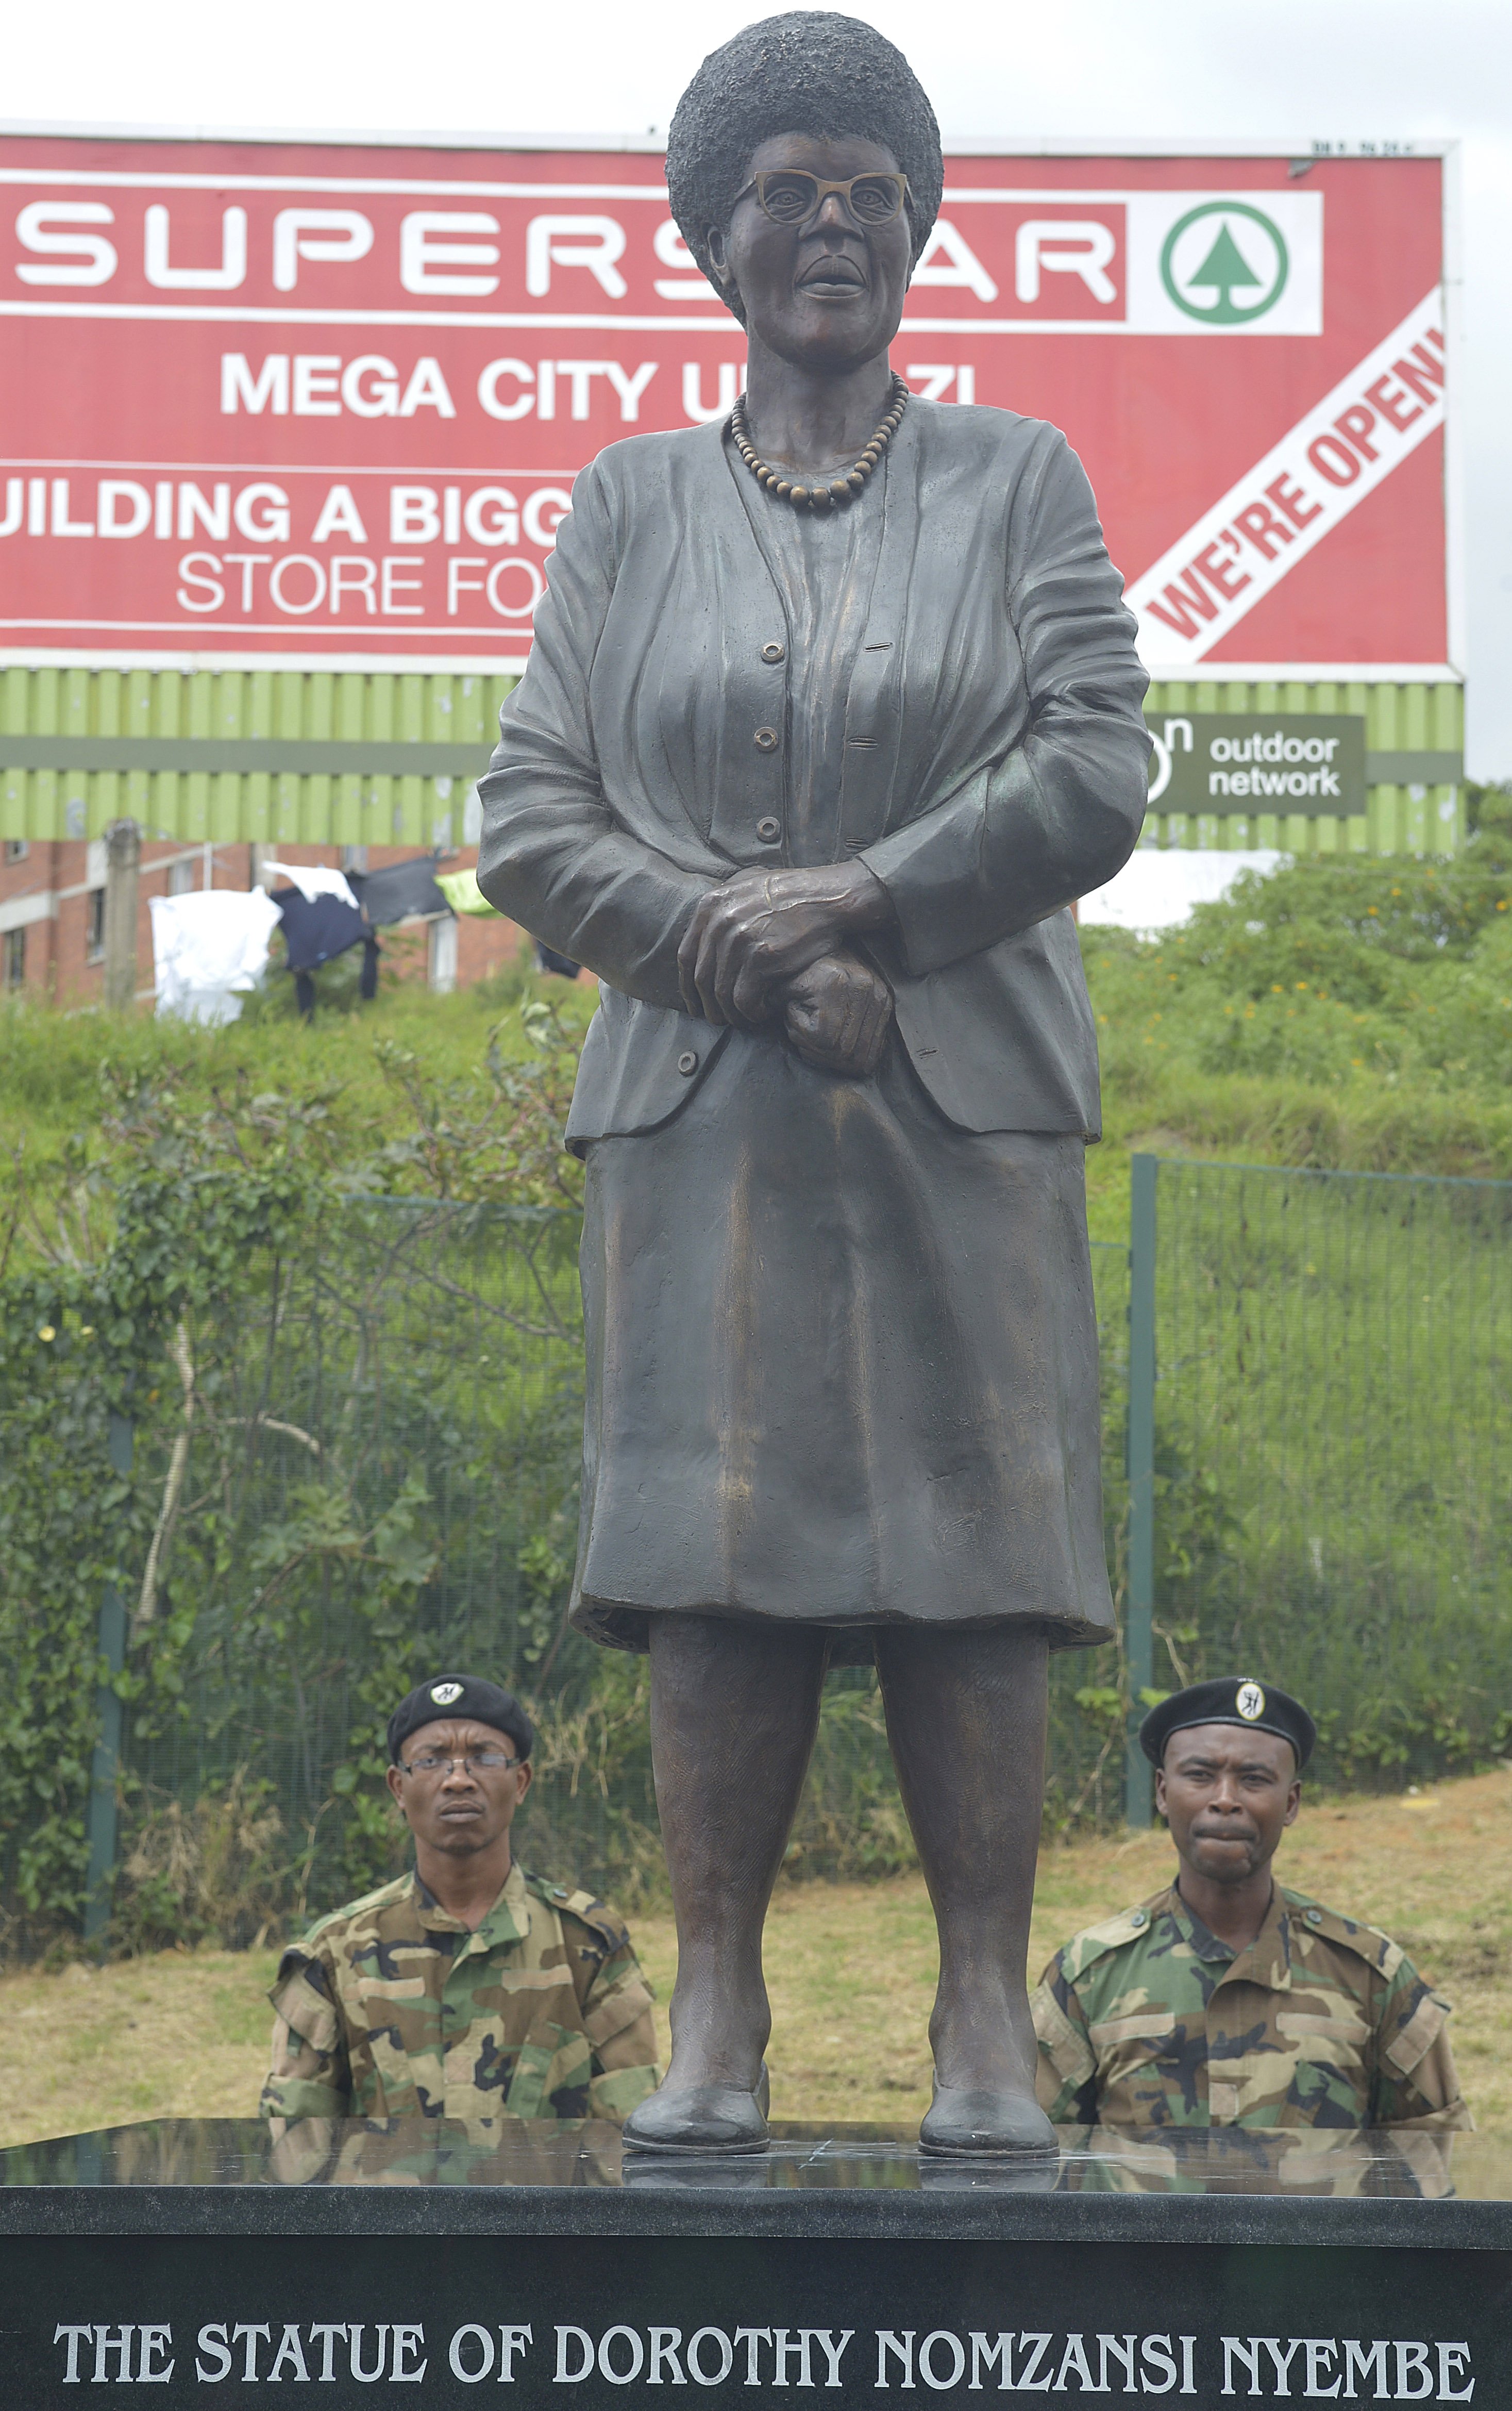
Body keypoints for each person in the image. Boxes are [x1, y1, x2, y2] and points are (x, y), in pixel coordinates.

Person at [477, 12, 1148, 2156]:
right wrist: (741, 949)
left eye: (871, 190)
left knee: (974, 1543)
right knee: (715, 1546)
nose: (832, 222)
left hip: (966, 1103)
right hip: (703, 1113)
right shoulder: (626, 502)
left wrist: (865, 899)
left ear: (919, 229)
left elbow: (1096, 760)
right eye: (787, 190)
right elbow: (529, 817)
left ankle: (980, 2015)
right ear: (716, 238)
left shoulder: (1019, 477)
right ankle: (716, 2005)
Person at [1032, 1677, 1470, 2131]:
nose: (1225, 1799)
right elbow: (1032, 2155)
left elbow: (1438, 2157)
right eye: (1200, 1775)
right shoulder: (1090, 1977)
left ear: (1291, 1802)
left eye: (1254, 1779)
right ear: (1162, 1791)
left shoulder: (1371, 1975)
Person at [259, 1676, 659, 2135]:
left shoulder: (587, 1944)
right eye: (431, 1760)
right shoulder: (334, 1953)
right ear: (398, 1787)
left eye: (483, 1757)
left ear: (521, 1781)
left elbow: (631, 2139)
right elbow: (293, 2150)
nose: (458, 1780)